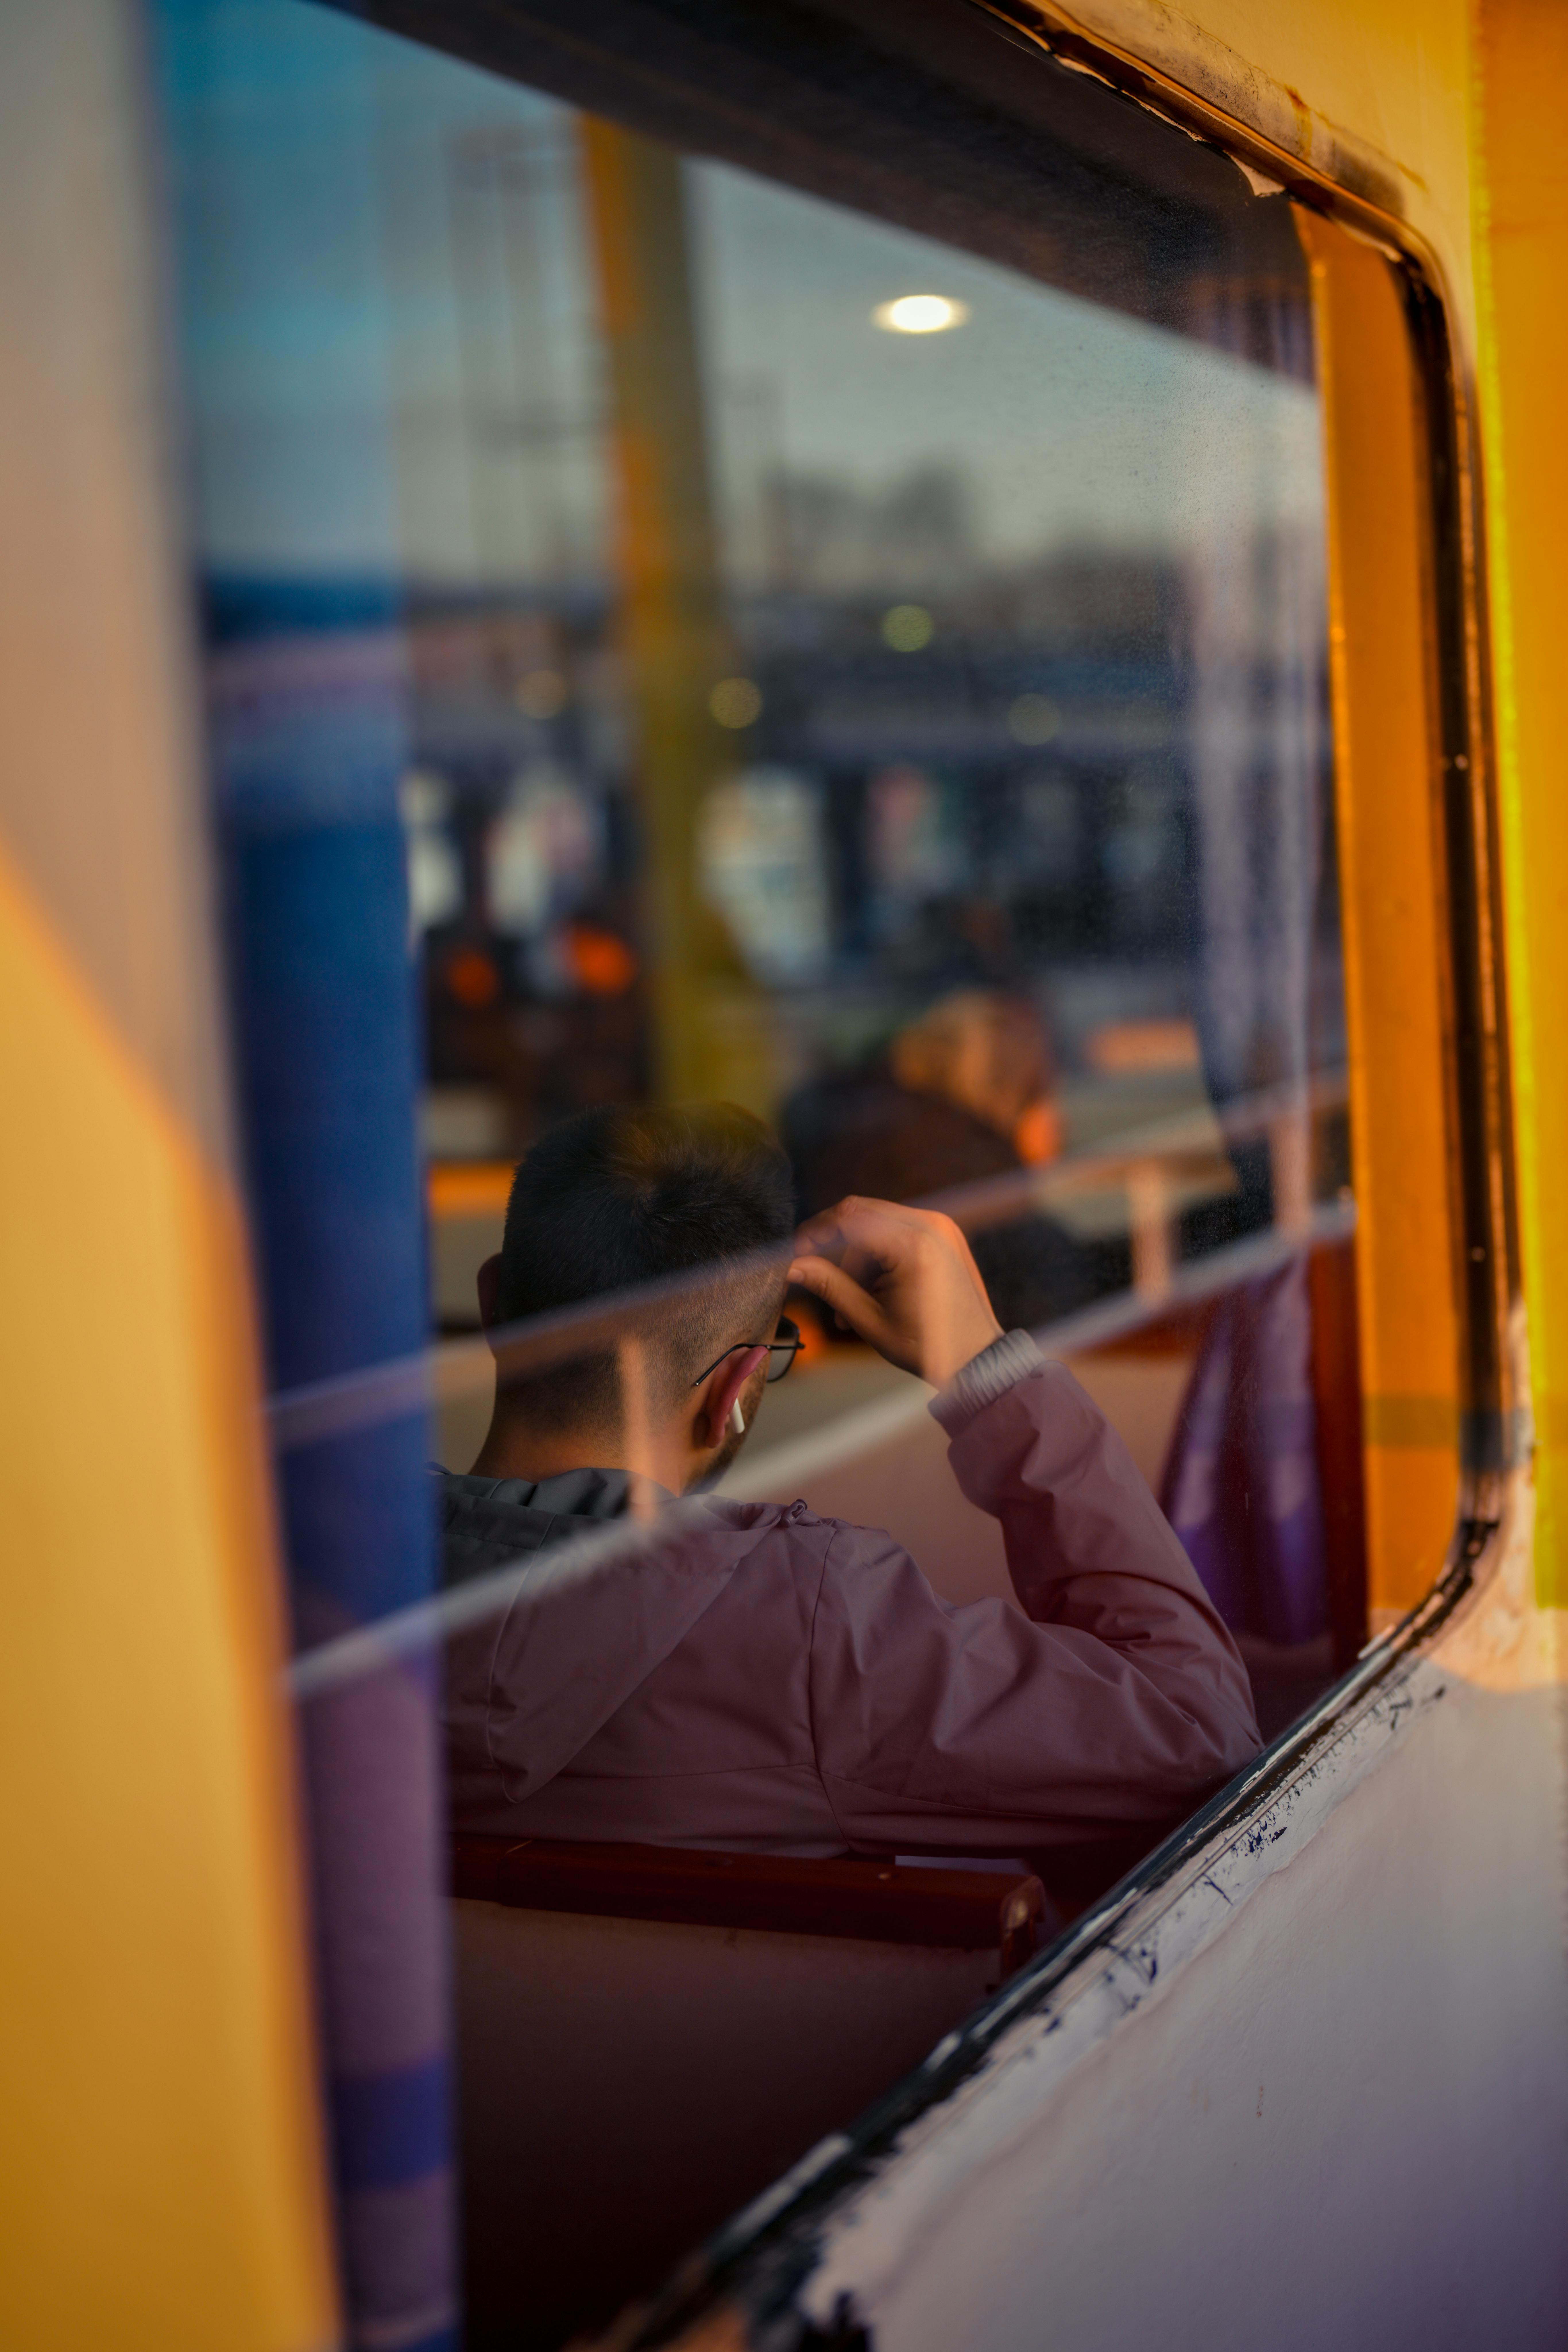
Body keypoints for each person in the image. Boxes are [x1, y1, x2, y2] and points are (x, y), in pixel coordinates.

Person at [440, 1101, 1260, 1863]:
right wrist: (987, 1370)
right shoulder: (808, 1633)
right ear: (737, 1388)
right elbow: (1200, 1738)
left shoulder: (329, 1579)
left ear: (491, 1303)